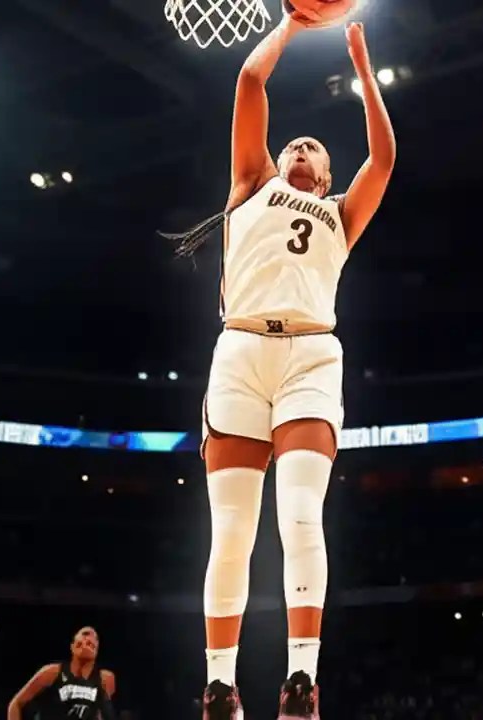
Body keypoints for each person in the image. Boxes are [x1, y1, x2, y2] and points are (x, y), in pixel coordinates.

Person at [161, 9, 396, 720]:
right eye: (292, 142)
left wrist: (360, 66)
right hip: (239, 351)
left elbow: (382, 161)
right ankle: (219, 683)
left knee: (298, 515)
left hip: (311, 357)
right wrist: (294, 23)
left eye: (313, 148)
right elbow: (250, 77)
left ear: (324, 178)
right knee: (230, 529)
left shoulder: (341, 214)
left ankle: (300, 680)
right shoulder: (249, 182)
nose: (298, 146)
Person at [7, 627, 117, 720]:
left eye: (95, 638)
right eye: (85, 634)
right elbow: (16, 704)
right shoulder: (52, 672)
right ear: (72, 646)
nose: (90, 637)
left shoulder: (106, 678)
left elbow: (100, 714)